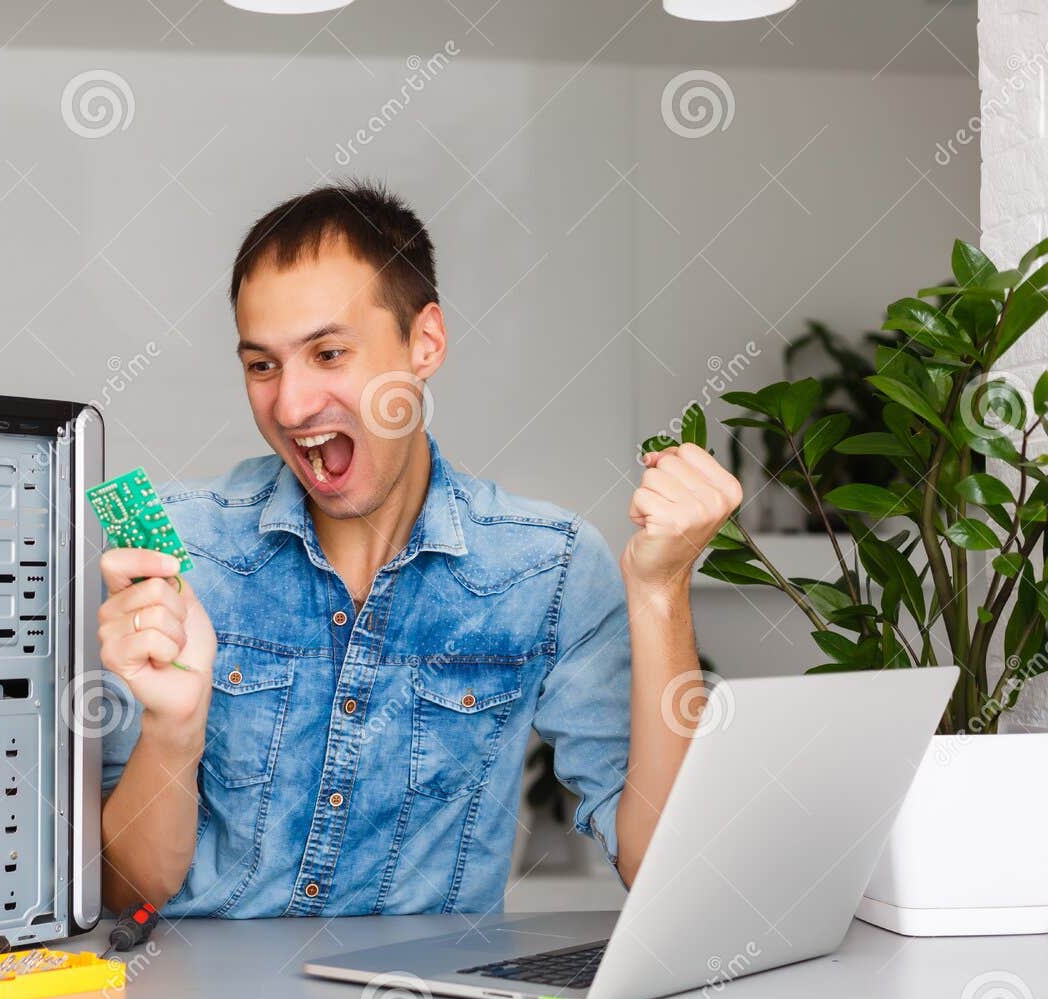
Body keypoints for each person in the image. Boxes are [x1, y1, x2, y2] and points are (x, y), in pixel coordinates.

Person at [97, 180, 741, 918]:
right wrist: (174, 731)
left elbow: (662, 868)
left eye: (329, 352)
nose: (292, 404)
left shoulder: (549, 568)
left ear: (424, 342)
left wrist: (662, 592)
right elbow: (123, 892)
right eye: (262, 365)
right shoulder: (176, 554)